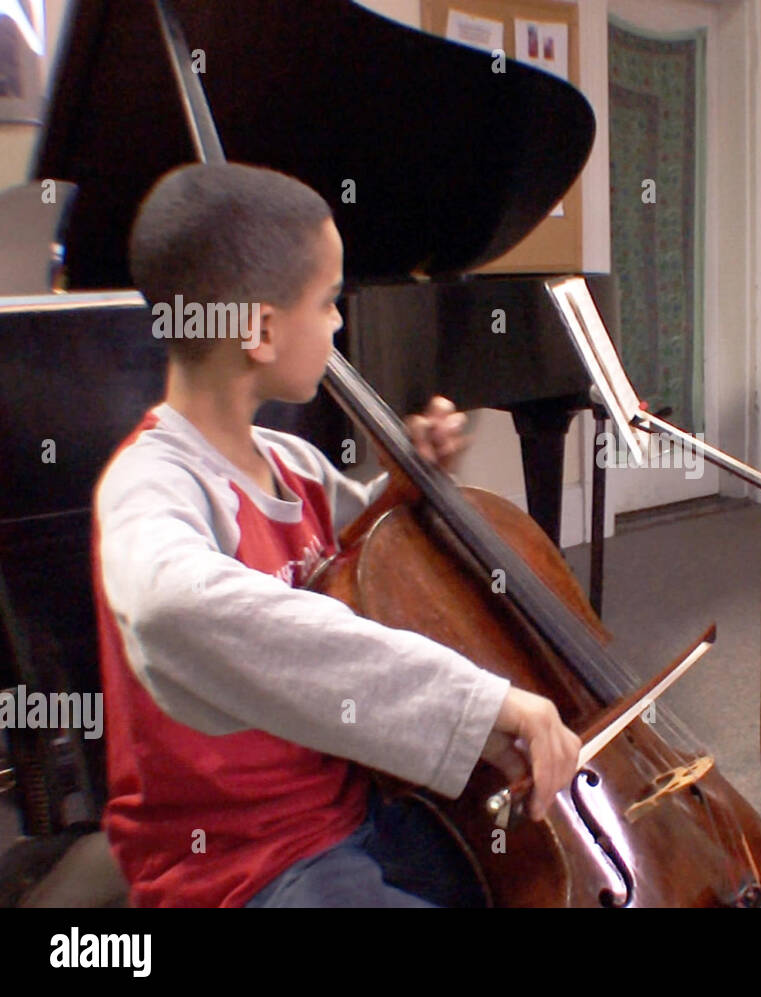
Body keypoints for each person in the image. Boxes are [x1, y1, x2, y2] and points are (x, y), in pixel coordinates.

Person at [93, 162, 582, 908]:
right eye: (327, 302)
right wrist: (472, 706)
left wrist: (410, 479)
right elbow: (171, 606)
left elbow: (363, 552)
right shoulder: (149, 487)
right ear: (259, 330)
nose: (337, 322)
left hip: (357, 807)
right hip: (243, 860)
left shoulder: (291, 463)